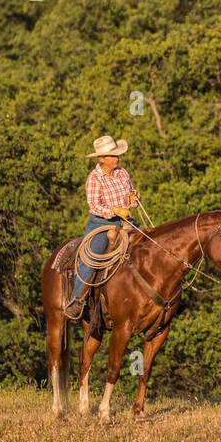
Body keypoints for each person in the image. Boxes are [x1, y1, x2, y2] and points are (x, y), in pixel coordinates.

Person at [64, 134, 139, 319]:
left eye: (117, 155)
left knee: (149, 247)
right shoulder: (94, 178)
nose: (116, 158)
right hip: (101, 224)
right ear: (101, 159)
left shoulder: (123, 173)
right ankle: (76, 299)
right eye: (112, 156)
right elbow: (94, 206)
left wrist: (134, 198)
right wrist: (115, 210)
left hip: (125, 221)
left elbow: (131, 198)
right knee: (92, 255)